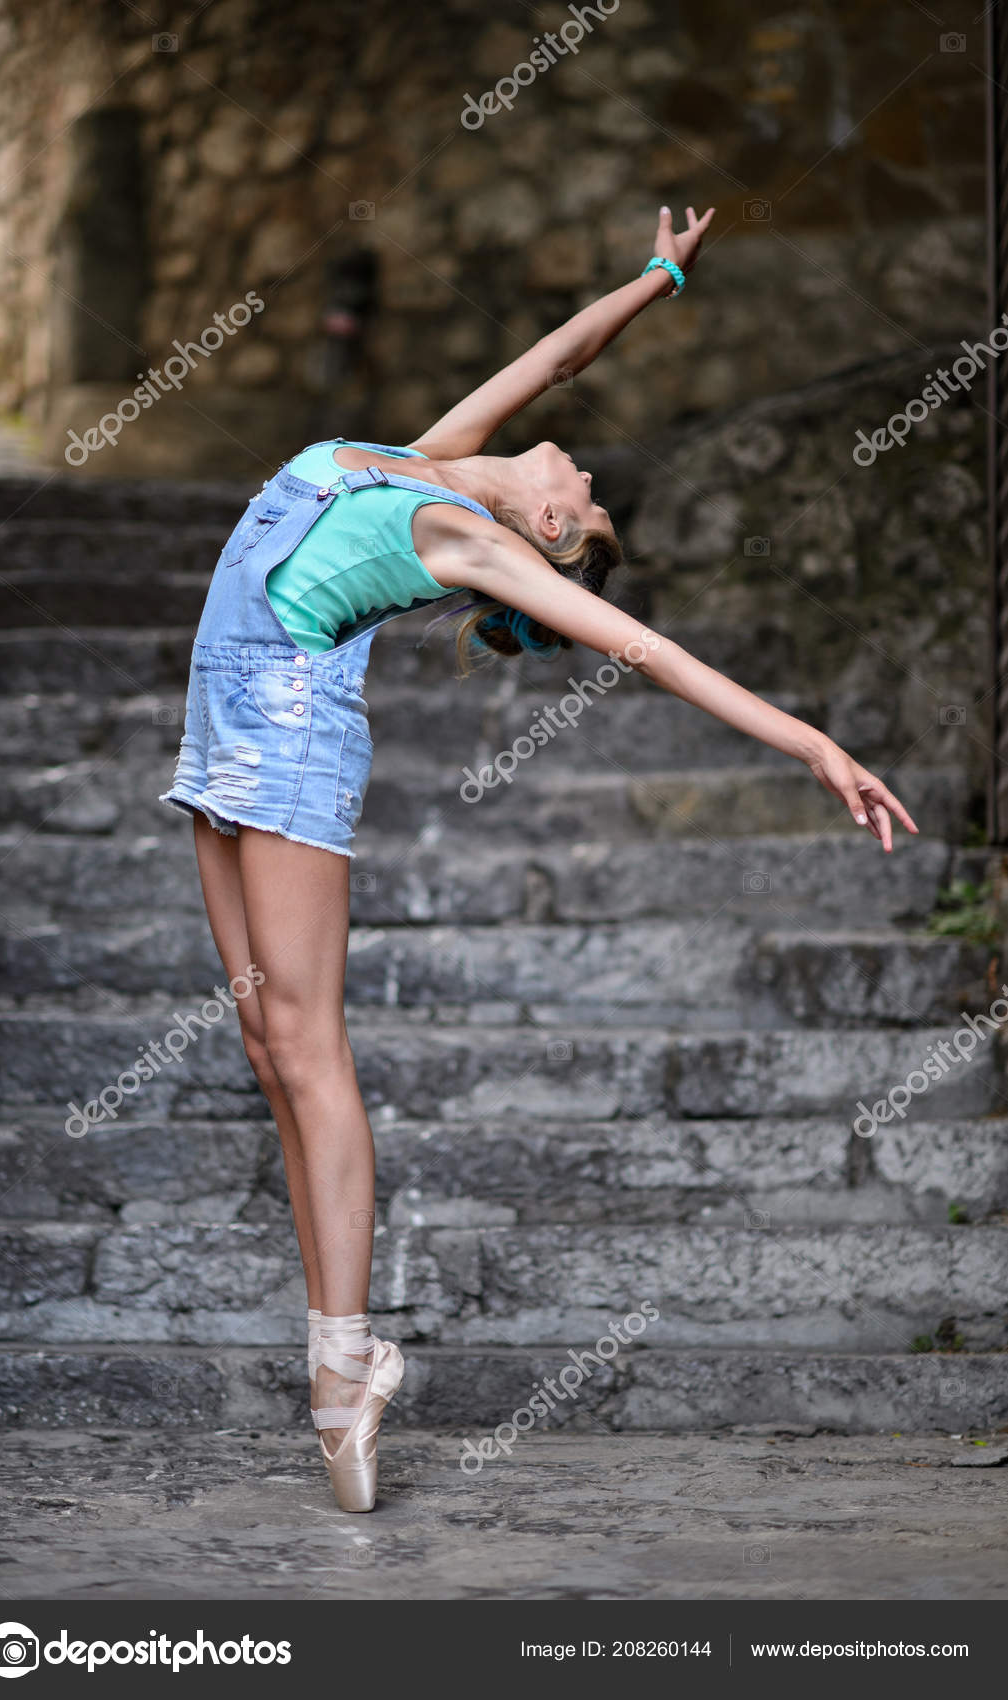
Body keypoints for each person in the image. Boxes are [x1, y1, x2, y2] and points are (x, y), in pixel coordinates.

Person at [159, 204, 918, 1512]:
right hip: (220, 713)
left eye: (590, 503)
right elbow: (557, 358)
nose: (585, 472)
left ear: (555, 537)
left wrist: (809, 744)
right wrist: (656, 279)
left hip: (283, 733)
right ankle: (338, 1358)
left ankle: (342, 1370)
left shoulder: (476, 540)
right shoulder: (431, 462)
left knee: (313, 1045)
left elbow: (651, 653)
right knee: (261, 1048)